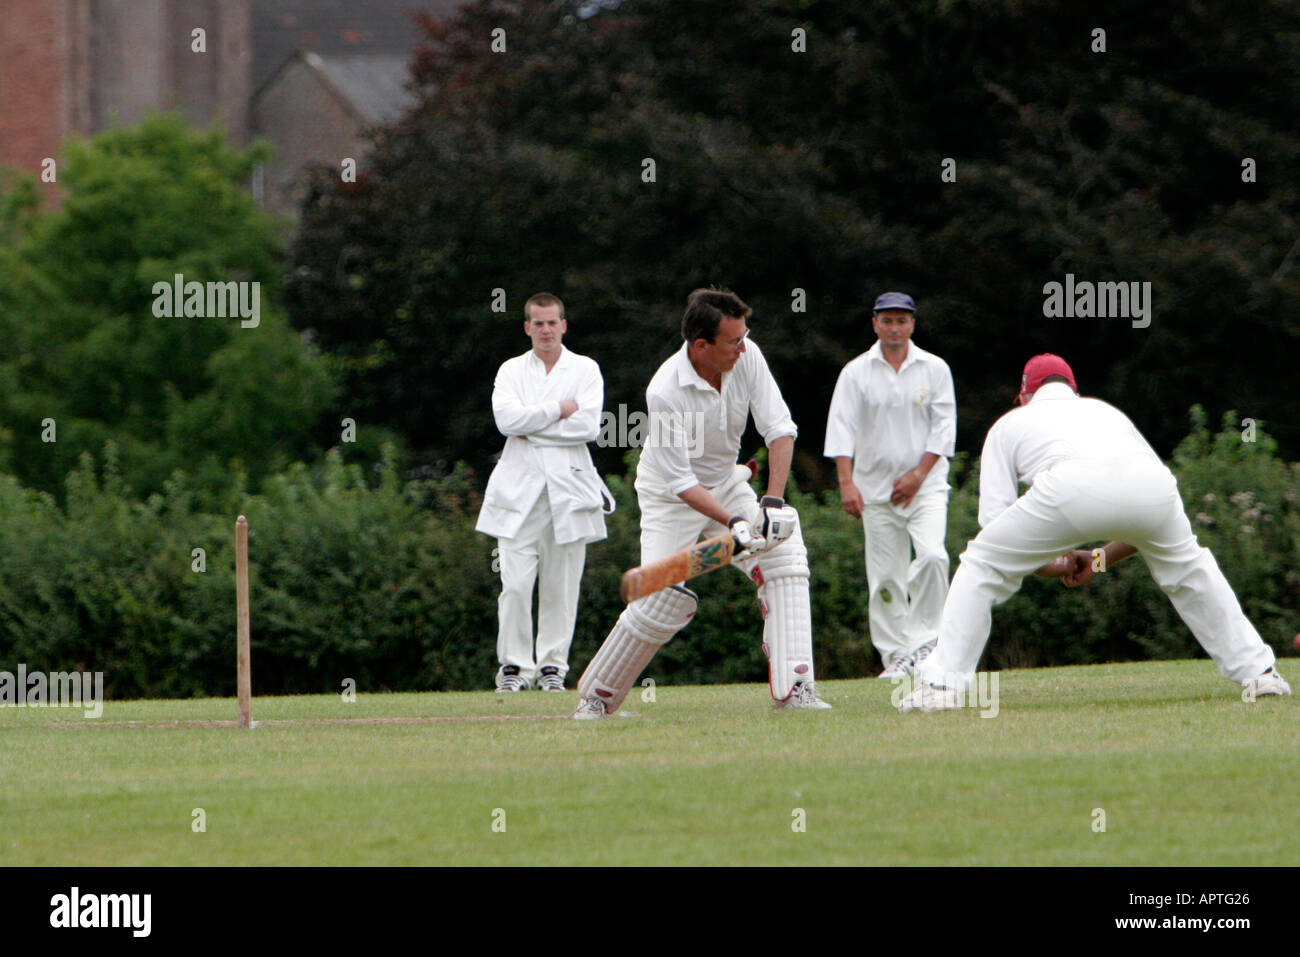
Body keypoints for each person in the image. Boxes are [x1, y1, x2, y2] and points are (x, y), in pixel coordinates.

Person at [898, 354, 1291, 712]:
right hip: (1152, 487)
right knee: (1189, 568)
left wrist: (1046, 564)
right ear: (1075, 391)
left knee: (980, 564)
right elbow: (1141, 516)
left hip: (1069, 488)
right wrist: (1098, 559)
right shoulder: (1106, 412)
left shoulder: (1009, 424)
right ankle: (1261, 674)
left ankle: (942, 685)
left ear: (1023, 396)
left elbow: (994, 527)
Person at [571, 288, 831, 718]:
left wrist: (771, 502)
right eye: (733, 341)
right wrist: (733, 522)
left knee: (785, 554)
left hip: (726, 482)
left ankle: (796, 687)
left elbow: (780, 429)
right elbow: (681, 483)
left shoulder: (748, 357)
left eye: (744, 336)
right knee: (659, 594)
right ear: (701, 346)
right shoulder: (665, 390)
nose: (742, 347)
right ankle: (596, 699)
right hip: (670, 496)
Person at [476, 293, 613, 692]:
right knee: (515, 586)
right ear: (527, 327)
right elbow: (506, 421)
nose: (546, 329)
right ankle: (515, 669)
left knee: (561, 586)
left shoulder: (585, 369)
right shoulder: (511, 370)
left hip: (569, 491)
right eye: (539, 323)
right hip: (518, 493)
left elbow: (588, 427)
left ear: (564, 325)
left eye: (553, 322)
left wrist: (532, 422)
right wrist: (558, 408)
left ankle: (553, 667)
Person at [824, 291, 956, 679]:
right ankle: (897, 656)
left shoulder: (934, 369)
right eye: (887, 320)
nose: (895, 327)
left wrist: (918, 475)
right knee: (884, 578)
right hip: (875, 490)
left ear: (913, 324)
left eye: (902, 320)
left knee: (933, 557)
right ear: (875, 324)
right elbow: (841, 427)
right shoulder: (855, 372)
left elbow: (944, 428)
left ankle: (927, 644)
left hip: (926, 486)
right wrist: (846, 483)